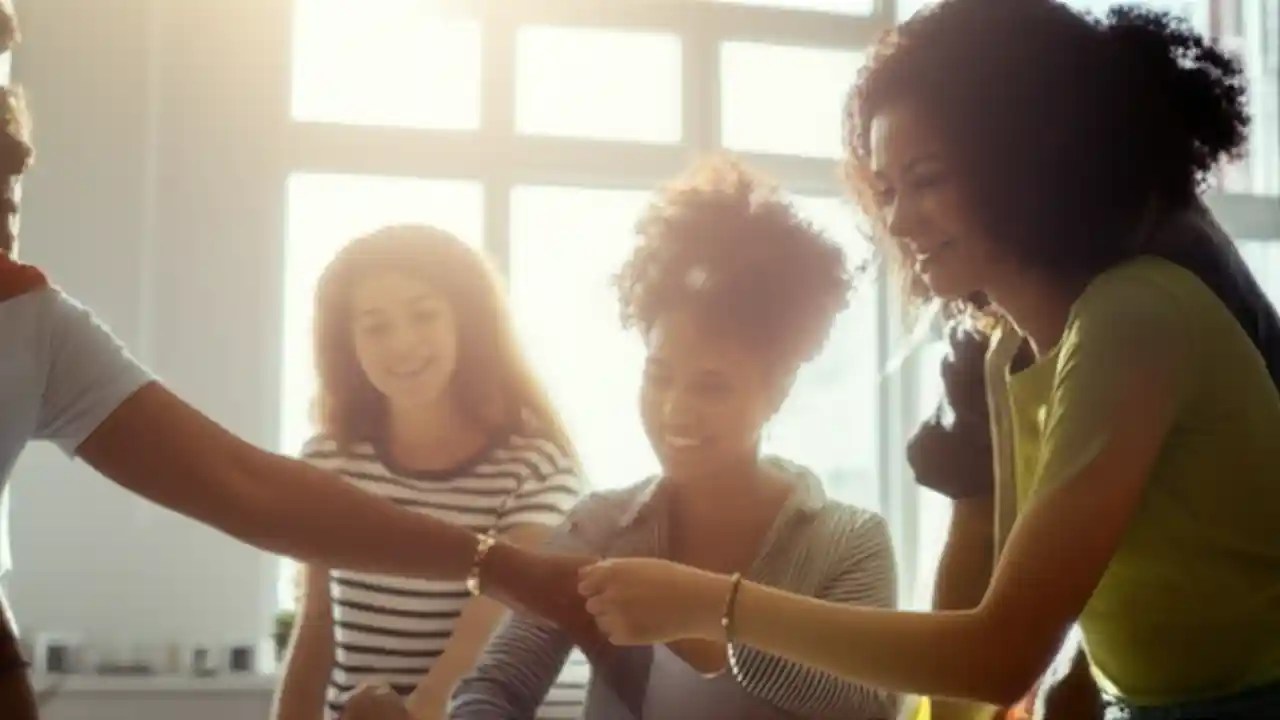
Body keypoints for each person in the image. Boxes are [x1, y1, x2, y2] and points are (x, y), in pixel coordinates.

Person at [575, 2, 1280, 719]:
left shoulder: (1135, 318)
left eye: (929, 180)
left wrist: (711, 602)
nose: (900, 222)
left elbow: (1000, 655)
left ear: (1026, 163)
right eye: (887, 190)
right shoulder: (1010, 348)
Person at [0, 14, 590, 719]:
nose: (14, 167)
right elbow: (314, 630)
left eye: (12, 157)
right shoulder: (336, 453)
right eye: (375, 325)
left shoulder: (33, 324)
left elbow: (247, 487)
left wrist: (500, 570)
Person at [449, 156, 899, 720]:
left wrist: (709, 614)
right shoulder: (600, 527)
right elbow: (496, 687)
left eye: (712, 387)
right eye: (660, 375)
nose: (674, 410)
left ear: (777, 393)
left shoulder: (848, 544)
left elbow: (869, 707)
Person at [273, 226, 587, 720]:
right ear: (347, 342)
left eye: (423, 315)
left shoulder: (535, 466)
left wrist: (417, 711)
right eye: (375, 326)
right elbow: (315, 628)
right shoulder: (327, 462)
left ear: (466, 323)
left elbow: (489, 619)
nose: (402, 344)